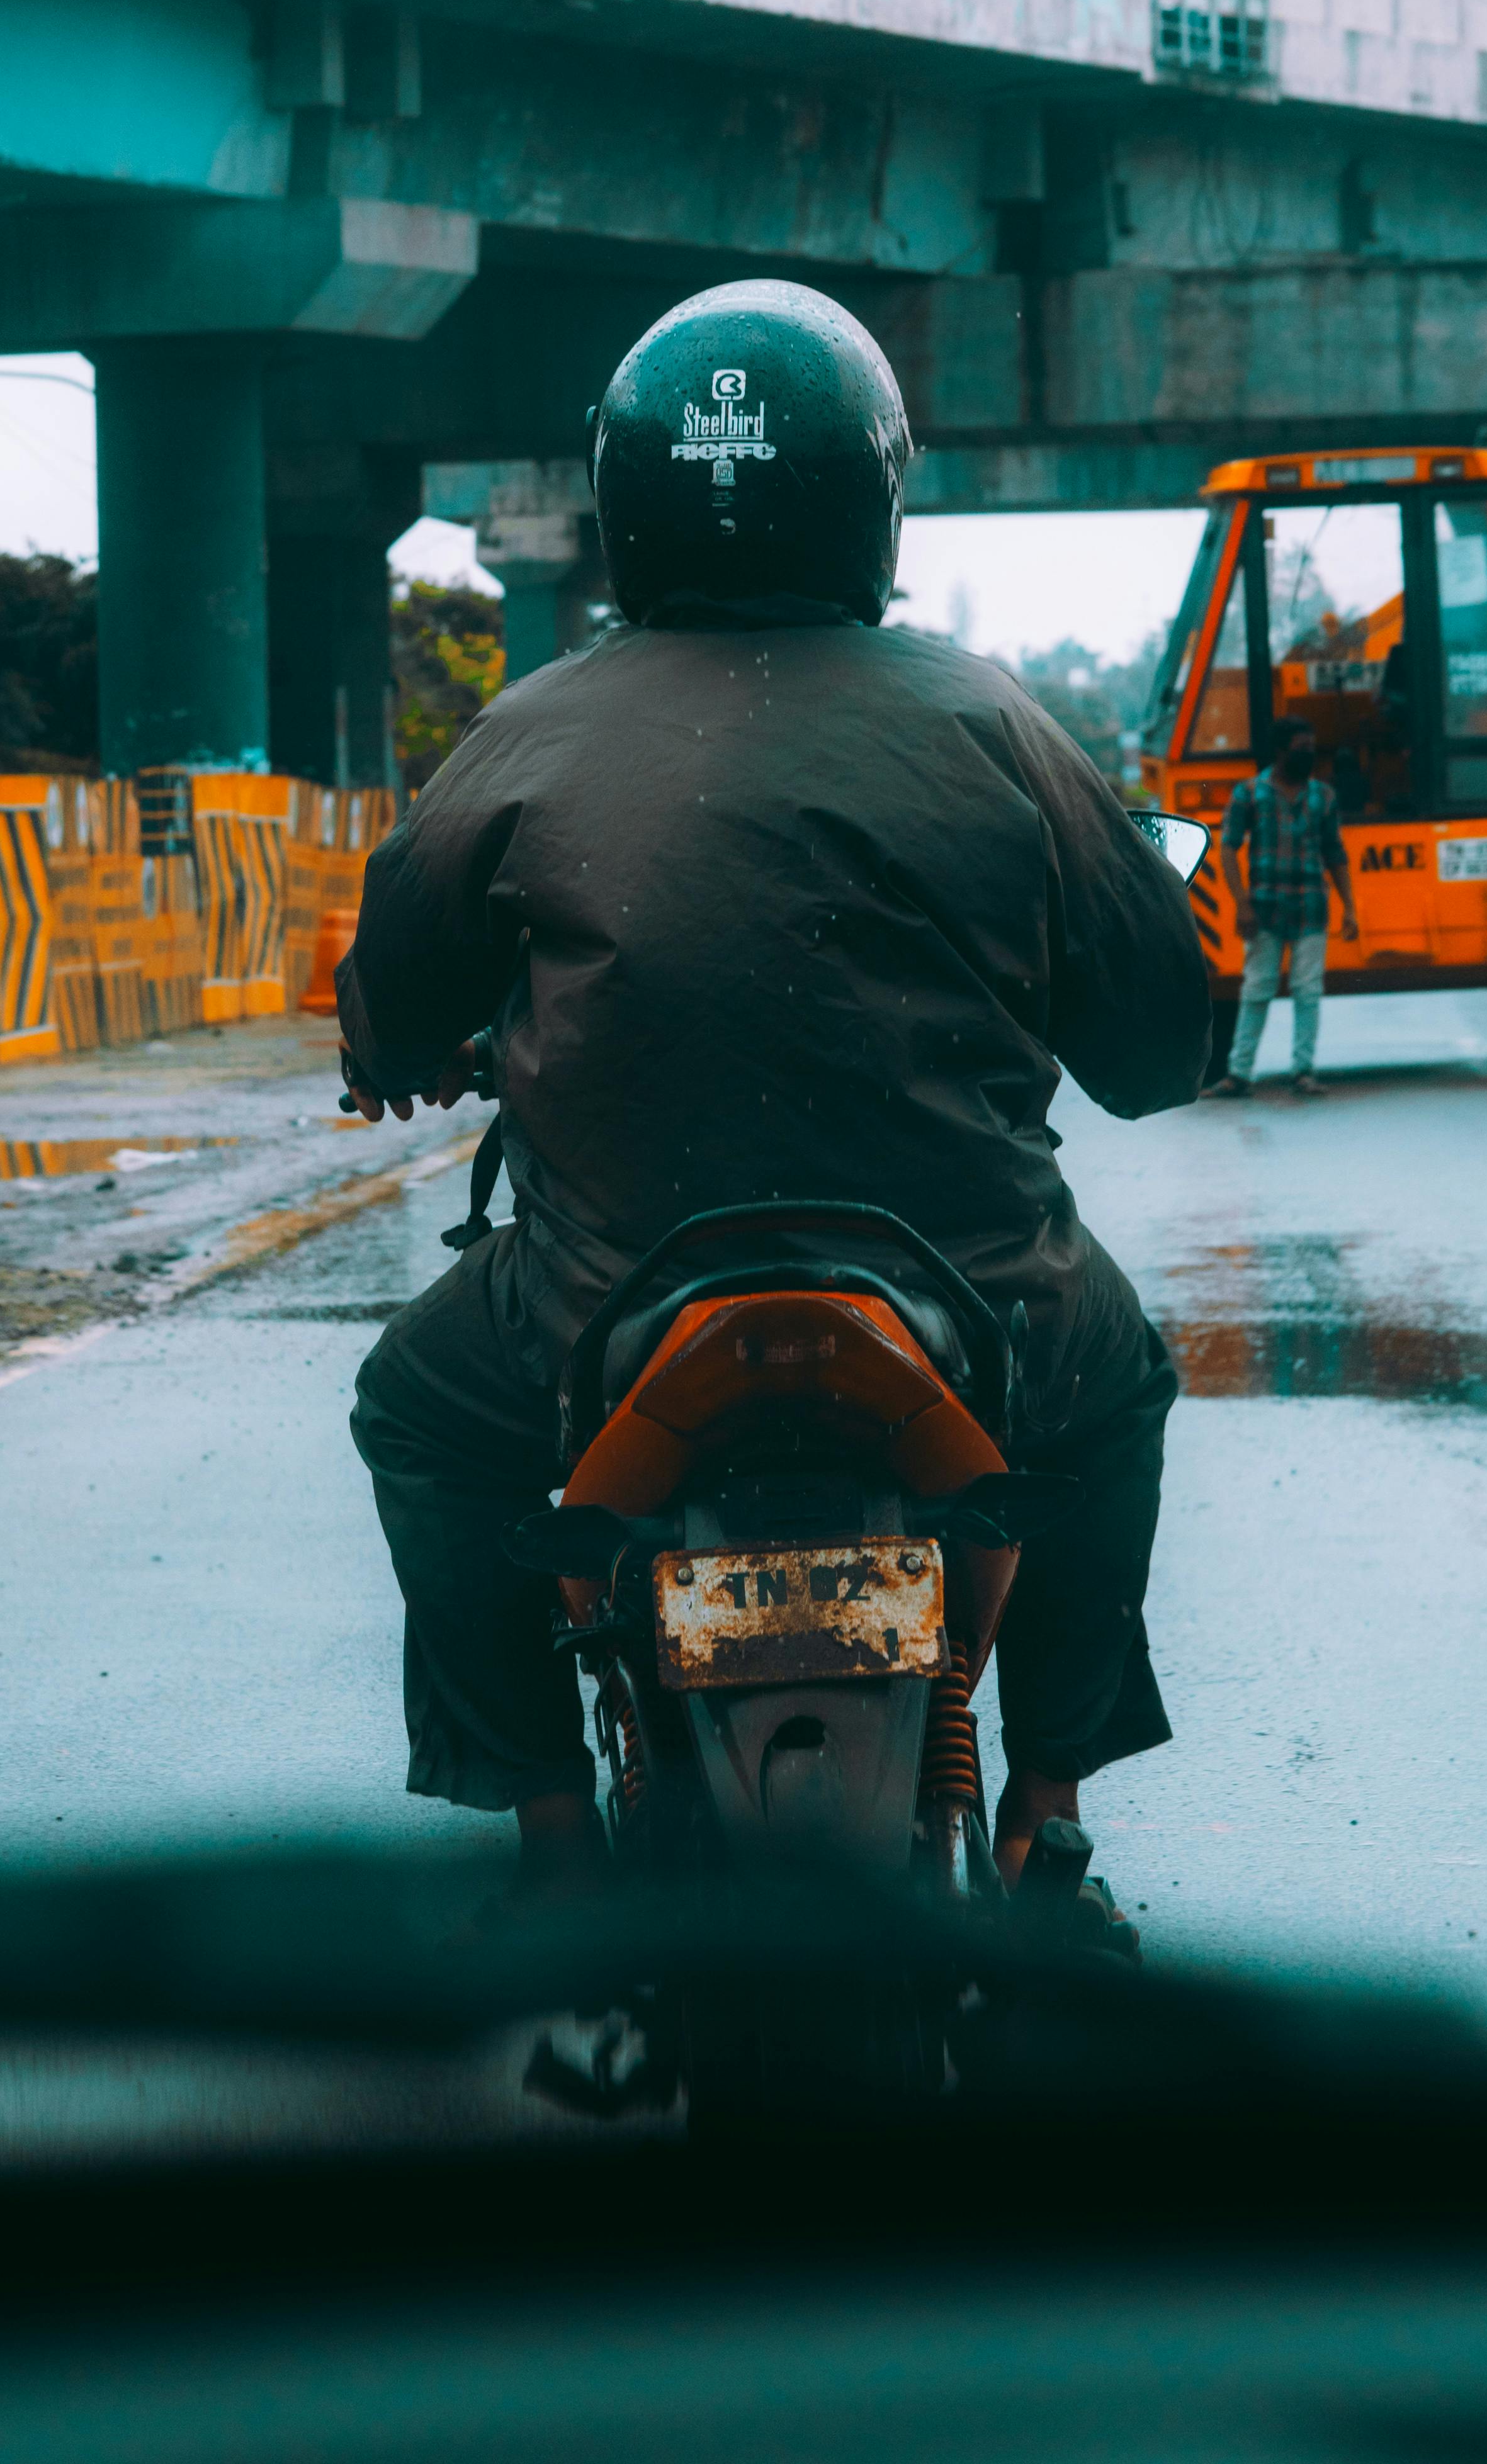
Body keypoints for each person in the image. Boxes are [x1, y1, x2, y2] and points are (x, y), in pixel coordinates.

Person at [339, 278, 1212, 1897]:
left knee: (418, 1409)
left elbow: (394, 995)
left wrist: (396, 1061)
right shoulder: (995, 722)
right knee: (1114, 1397)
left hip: (606, 1301)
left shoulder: (527, 731)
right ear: (873, 495)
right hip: (980, 1300)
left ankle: (545, 1843)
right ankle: (1043, 1806)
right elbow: (1162, 1047)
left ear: (622, 501)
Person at [1209, 728, 1359, 1096]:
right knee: (1257, 989)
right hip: (1264, 910)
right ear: (1279, 751)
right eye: (1300, 748)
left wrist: (1350, 908)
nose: (1308, 754)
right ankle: (1239, 1073)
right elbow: (1228, 849)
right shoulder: (1248, 794)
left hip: (1312, 907)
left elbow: (1335, 855)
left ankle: (1303, 1071)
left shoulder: (1323, 796)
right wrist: (1241, 903)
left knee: (1307, 991)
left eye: (1311, 748)